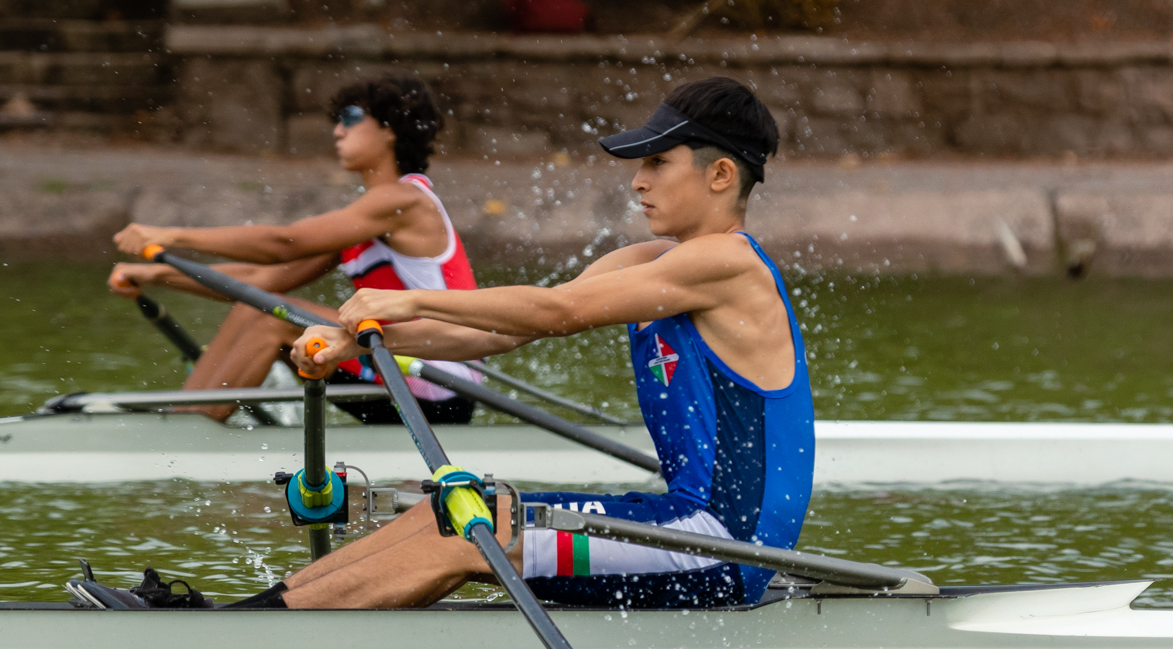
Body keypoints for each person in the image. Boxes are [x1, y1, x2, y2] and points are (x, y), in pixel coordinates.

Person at [222, 75, 813, 611]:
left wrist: (411, 298)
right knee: (451, 510)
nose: (638, 180)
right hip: (679, 521)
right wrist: (354, 343)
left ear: (720, 175)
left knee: (473, 531)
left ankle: (249, 631)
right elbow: (505, 330)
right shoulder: (655, 260)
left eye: (658, 162)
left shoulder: (728, 262)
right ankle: (249, 615)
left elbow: (557, 311)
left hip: (724, 547)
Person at [106, 76, 479, 422]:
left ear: (389, 128)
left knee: (271, 316)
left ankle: (188, 432)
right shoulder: (366, 217)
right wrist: (154, 274)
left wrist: (172, 236)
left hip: (441, 382)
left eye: (350, 118)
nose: (337, 130)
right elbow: (258, 278)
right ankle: (184, 417)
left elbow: (285, 243)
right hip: (396, 366)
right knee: (257, 301)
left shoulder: (404, 200)